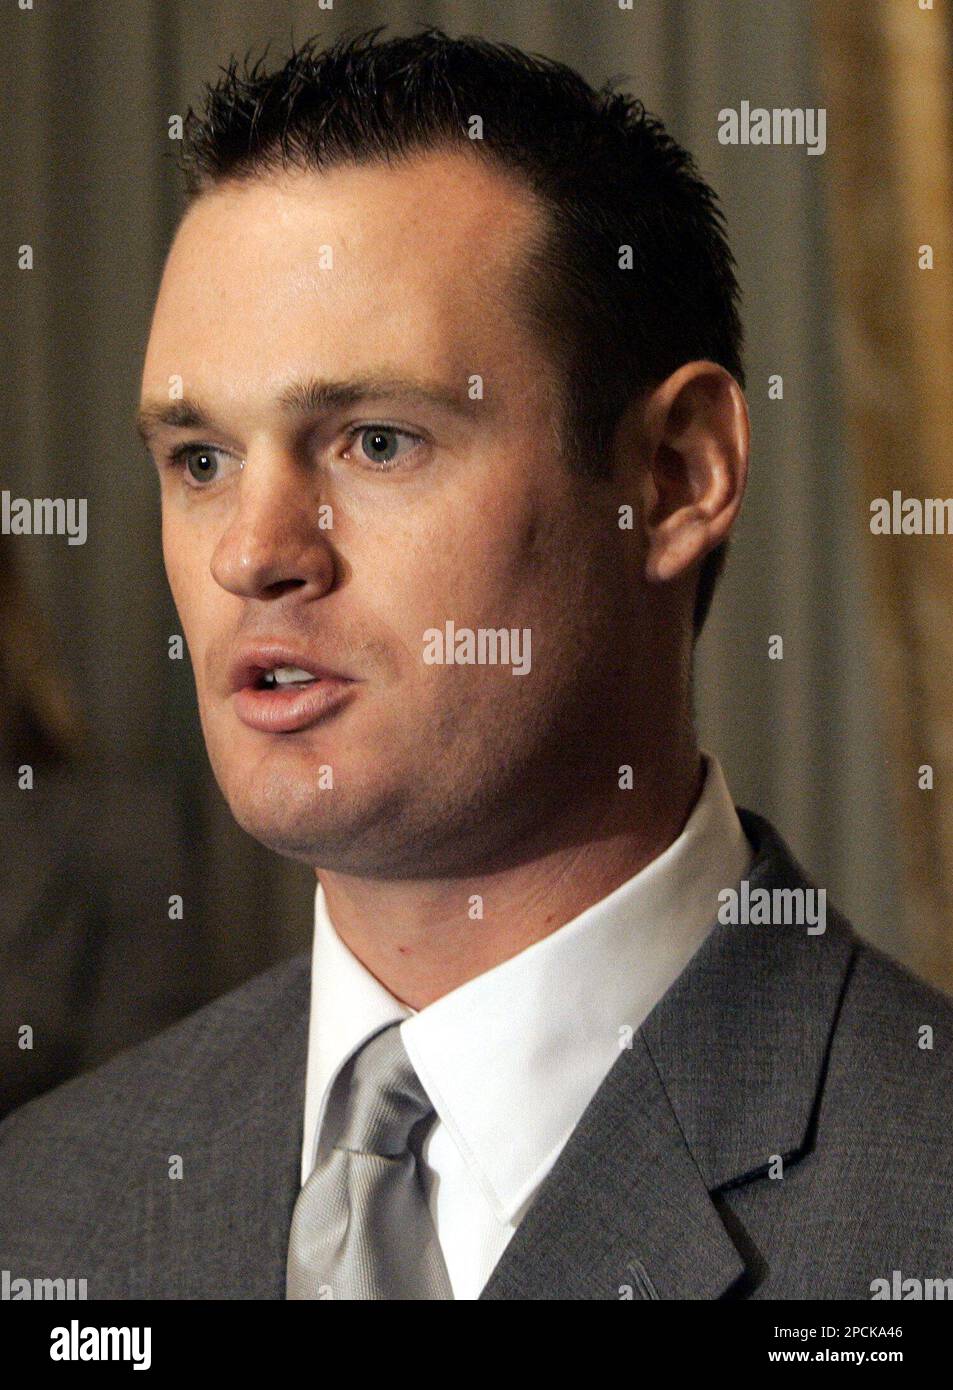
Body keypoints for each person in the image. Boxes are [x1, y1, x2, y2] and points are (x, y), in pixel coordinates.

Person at [1, 26, 950, 1302]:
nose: (252, 555)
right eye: (201, 460)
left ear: (672, 477)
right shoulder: (42, 1208)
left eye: (376, 442)